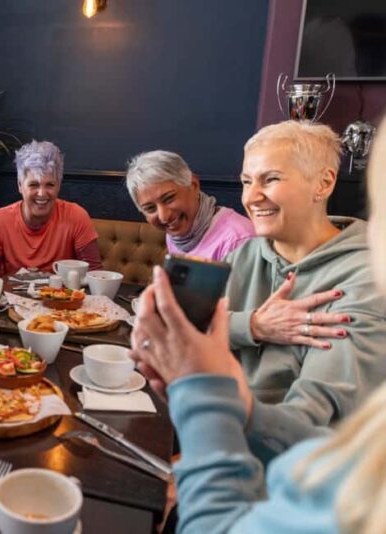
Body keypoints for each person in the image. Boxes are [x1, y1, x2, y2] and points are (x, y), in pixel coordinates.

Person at [129, 117, 386, 533]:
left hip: (286, 493)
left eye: (270, 179)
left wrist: (203, 443)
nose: (253, 196)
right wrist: (252, 327)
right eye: (247, 181)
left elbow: (314, 427)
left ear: (323, 183)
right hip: (214, 443)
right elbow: (189, 333)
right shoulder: (248, 252)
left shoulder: (364, 280)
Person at [0, 140, 102, 276]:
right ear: (20, 185)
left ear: (59, 186)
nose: (42, 193)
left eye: (49, 185)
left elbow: (94, 273)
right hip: (12, 295)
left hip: (65, 296)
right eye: (34, 185)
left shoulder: (76, 216)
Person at [126, 150, 255, 261]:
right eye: (150, 208)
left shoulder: (239, 240)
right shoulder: (178, 232)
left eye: (169, 198)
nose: (164, 216)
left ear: (193, 185)